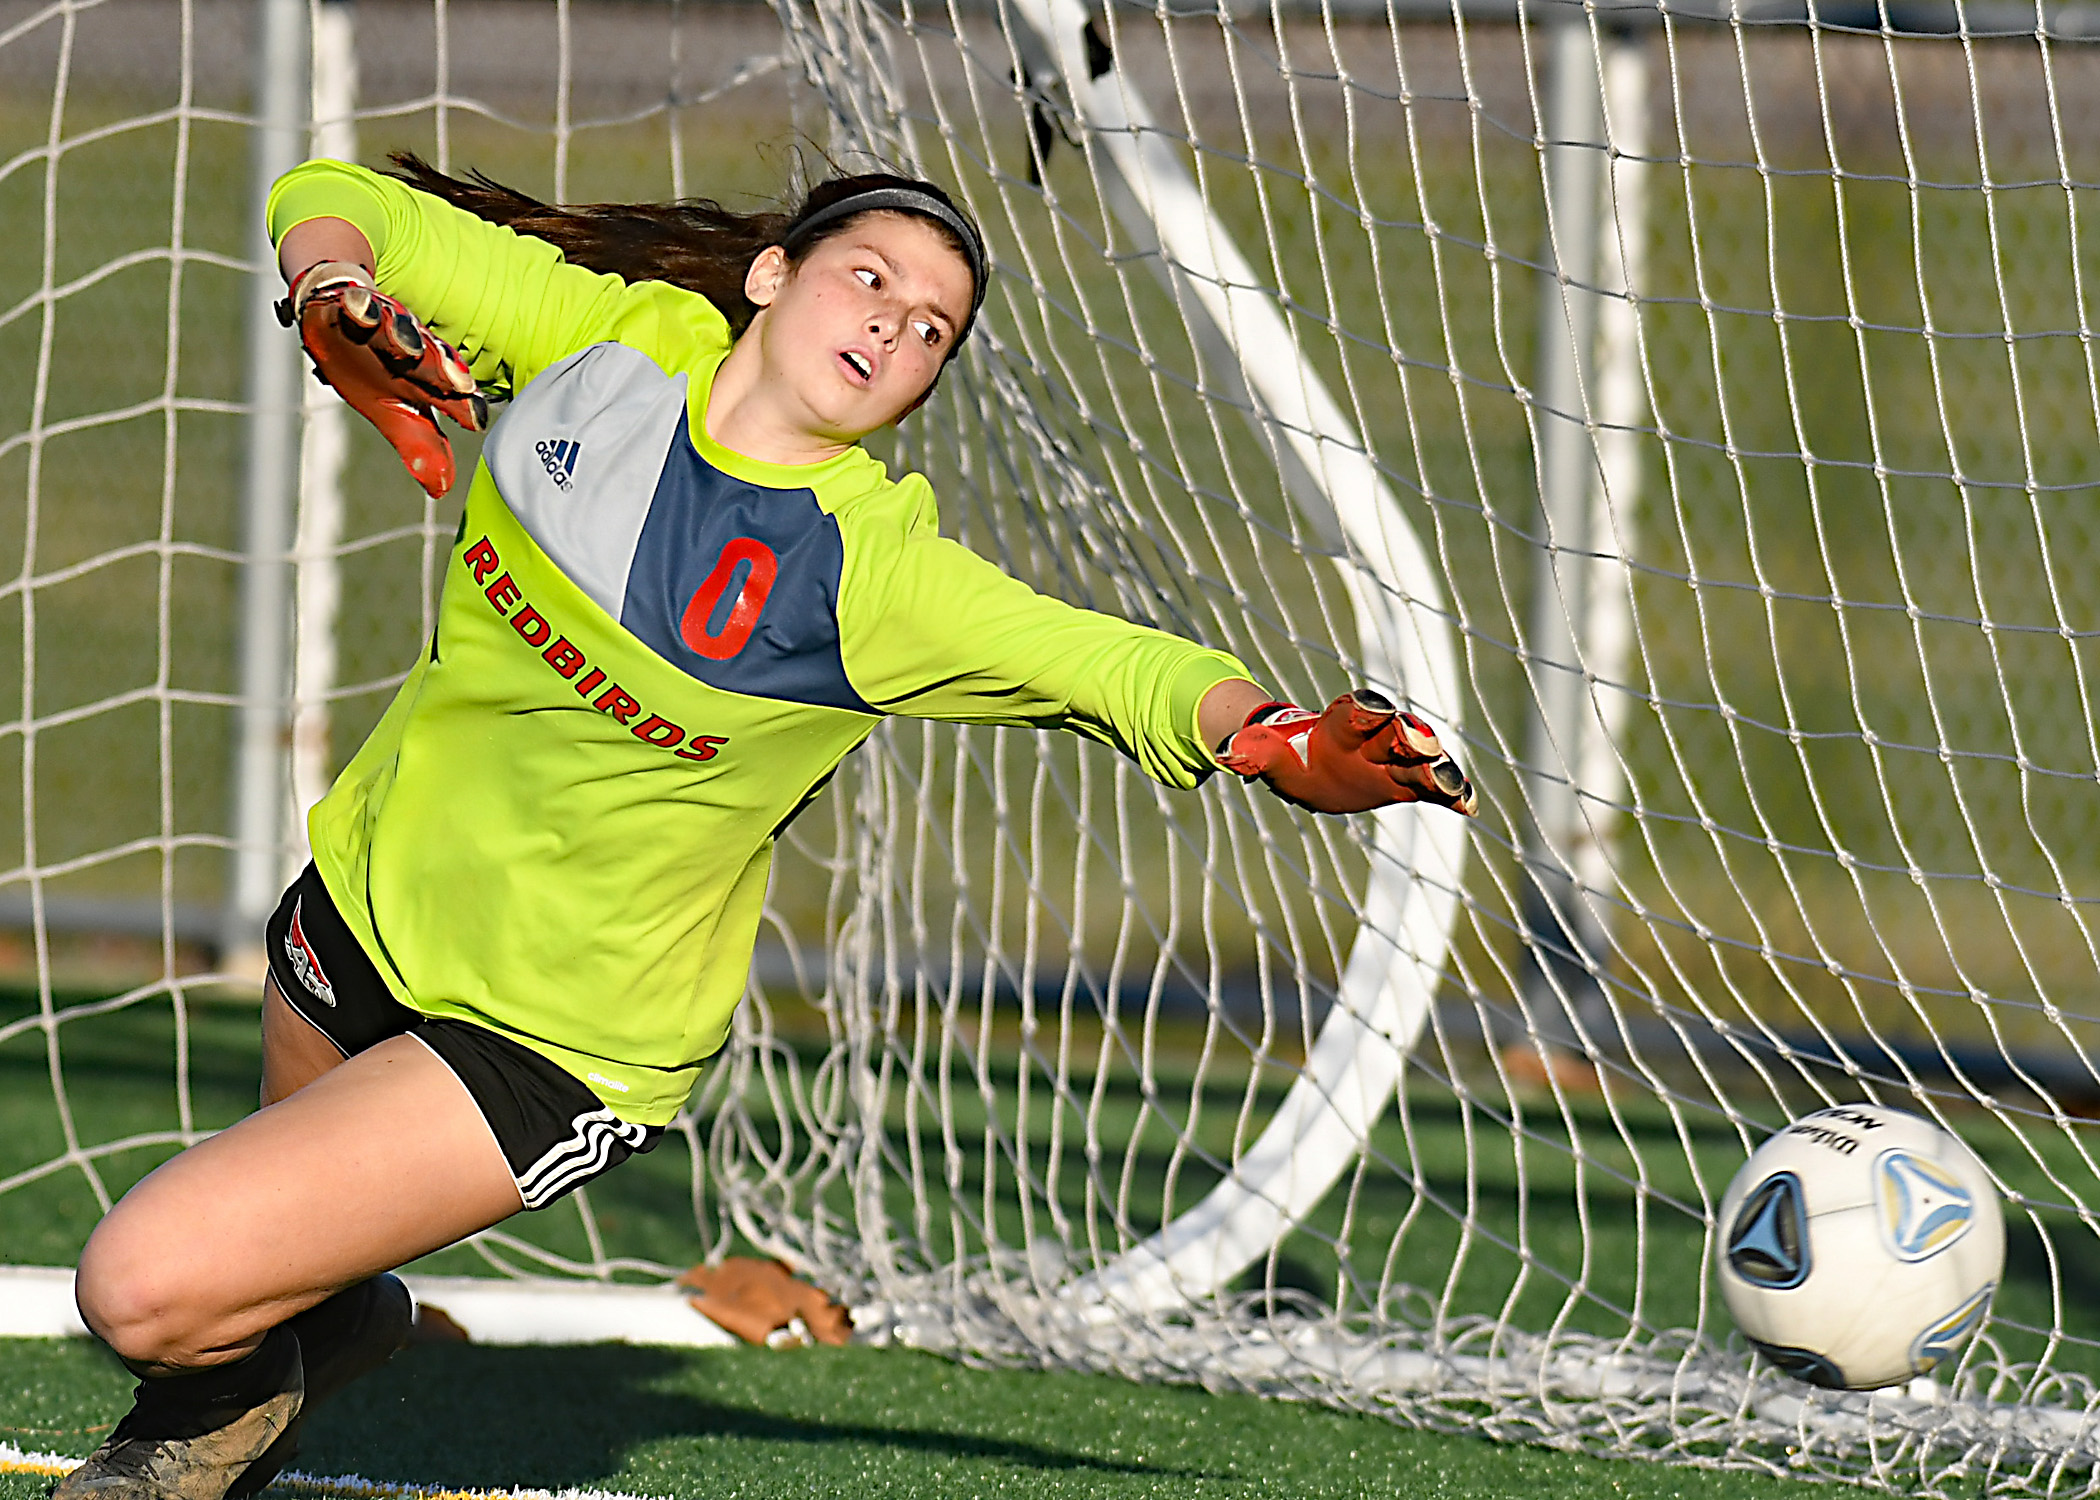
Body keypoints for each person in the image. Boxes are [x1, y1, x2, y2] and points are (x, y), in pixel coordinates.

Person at [56, 149, 1478, 1500]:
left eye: (932, 328)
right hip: (358, 912)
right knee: (266, 1286)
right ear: (772, 275)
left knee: (142, 1290)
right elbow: (343, 199)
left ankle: (237, 1390)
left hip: (550, 1035)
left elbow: (1116, 664)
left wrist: (1273, 737)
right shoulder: (604, 345)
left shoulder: (878, 576)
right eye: (870, 281)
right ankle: (321, 1334)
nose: (896, 328)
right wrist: (330, 293)